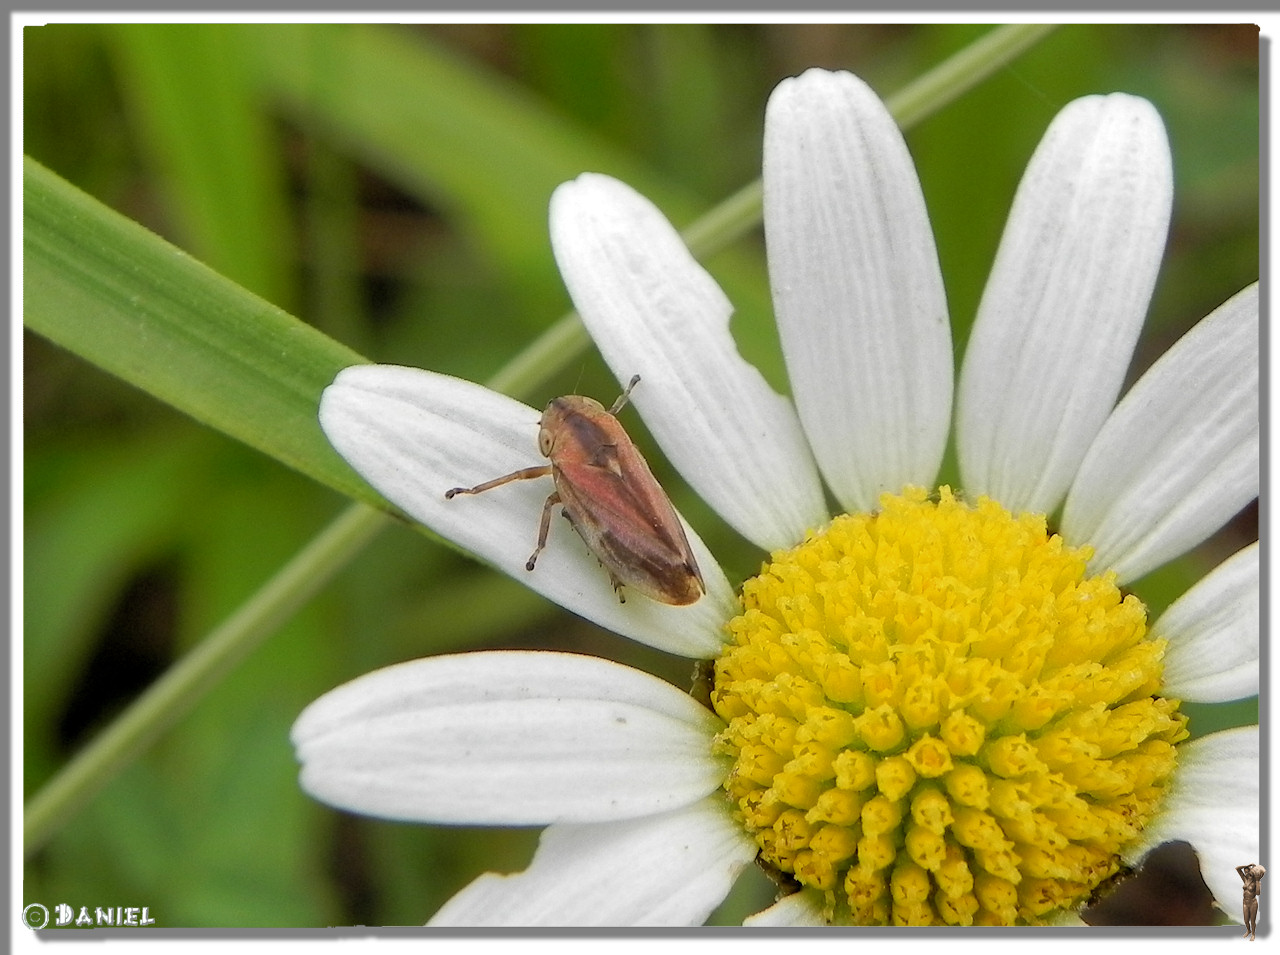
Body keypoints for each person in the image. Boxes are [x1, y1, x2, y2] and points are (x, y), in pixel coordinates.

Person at [1236, 863, 1265, 940]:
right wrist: (1247, 865)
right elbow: (1237, 869)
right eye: (1245, 872)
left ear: (1251, 872)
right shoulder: (1245, 879)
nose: (1246, 873)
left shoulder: (1256, 881)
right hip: (1245, 902)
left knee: (1252, 921)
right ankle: (1248, 931)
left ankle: (1253, 934)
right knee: (1246, 920)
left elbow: (1258, 893)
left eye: (1247, 871)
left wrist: (1258, 881)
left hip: (1252, 902)